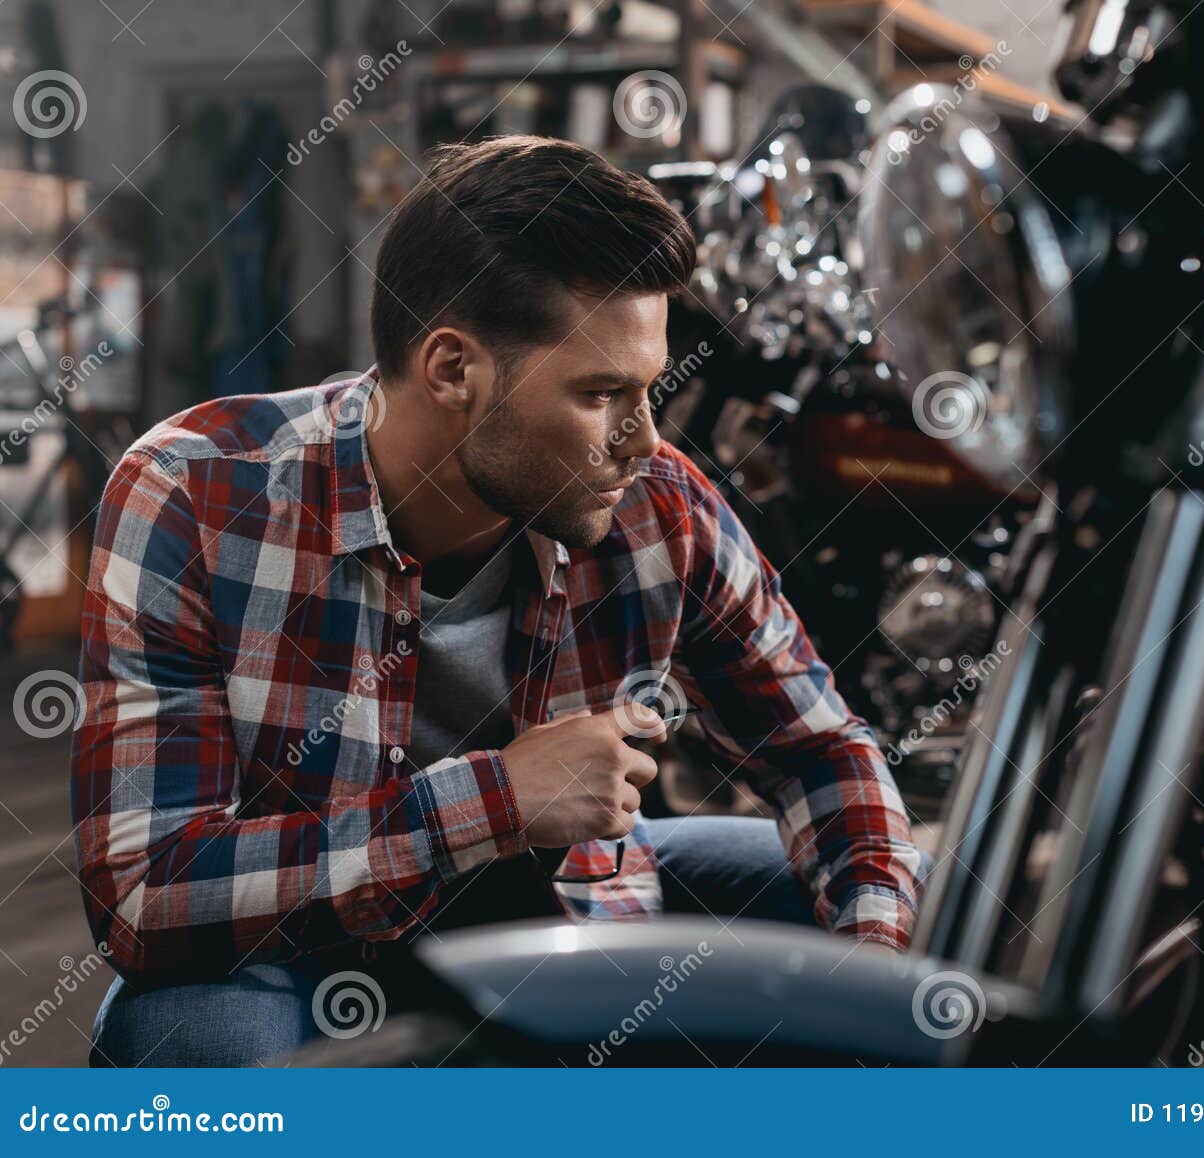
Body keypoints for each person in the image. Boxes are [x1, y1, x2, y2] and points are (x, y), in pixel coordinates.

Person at [72, 135, 922, 1066]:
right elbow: (144, 896)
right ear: (451, 370)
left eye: (649, 391)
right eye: (602, 395)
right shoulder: (194, 493)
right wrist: (497, 802)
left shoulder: (658, 503)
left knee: (901, 896)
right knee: (190, 1050)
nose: (643, 439)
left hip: (572, 908)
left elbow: (823, 755)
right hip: (287, 951)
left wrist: (873, 976)